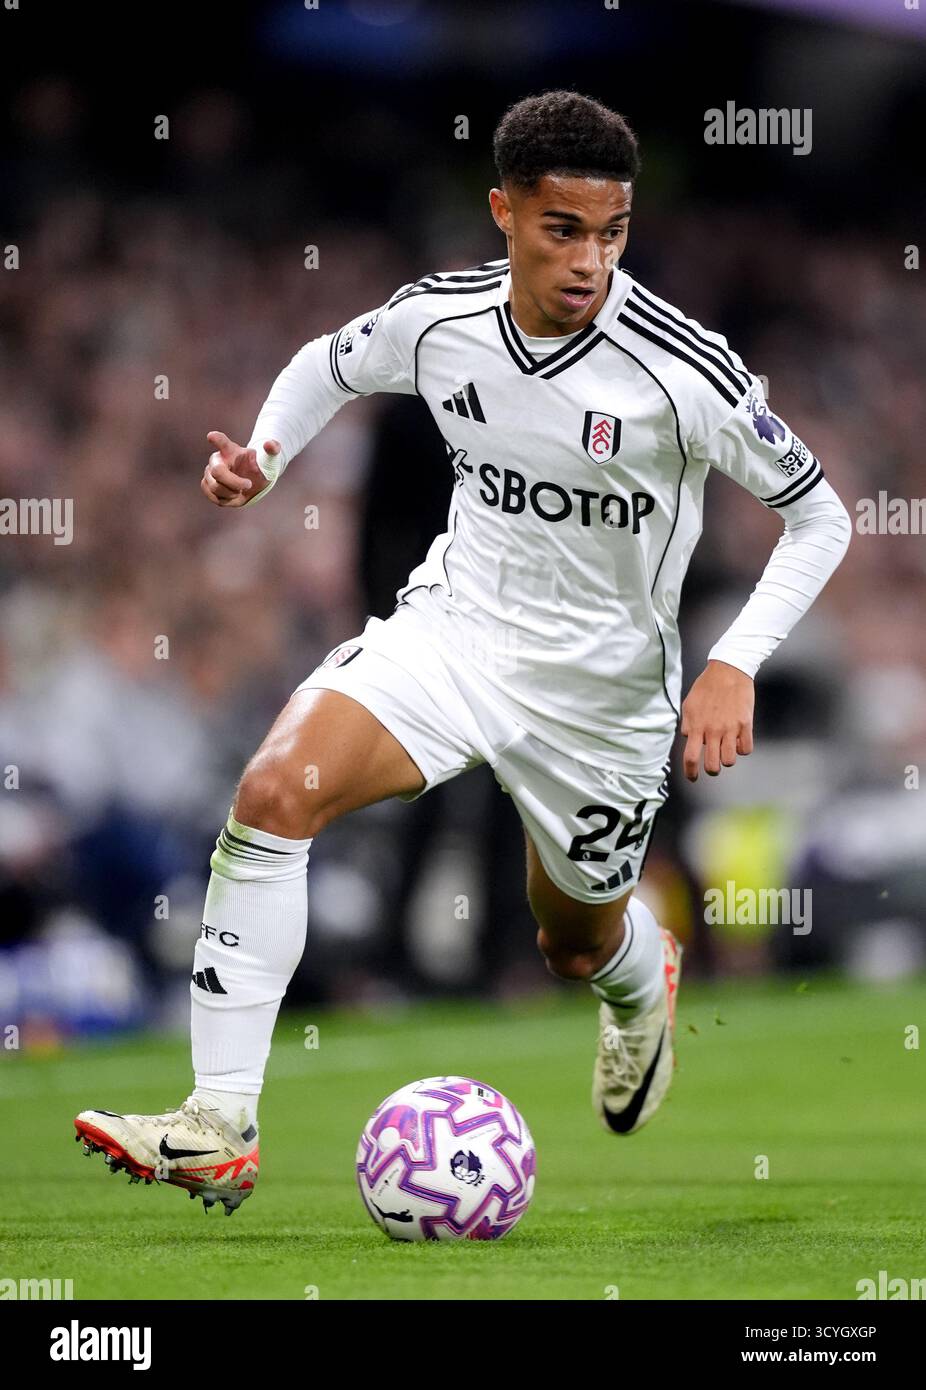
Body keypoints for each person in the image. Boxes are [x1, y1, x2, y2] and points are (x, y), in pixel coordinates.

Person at [74, 90, 852, 1216]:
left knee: (569, 940)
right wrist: (267, 452)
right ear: (503, 211)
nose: (589, 260)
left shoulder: (682, 371)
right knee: (272, 791)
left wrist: (730, 662)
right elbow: (330, 361)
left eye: (611, 231)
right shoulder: (440, 322)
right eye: (560, 229)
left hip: (602, 700)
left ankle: (640, 981)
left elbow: (820, 514)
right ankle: (217, 1123)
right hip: (454, 632)